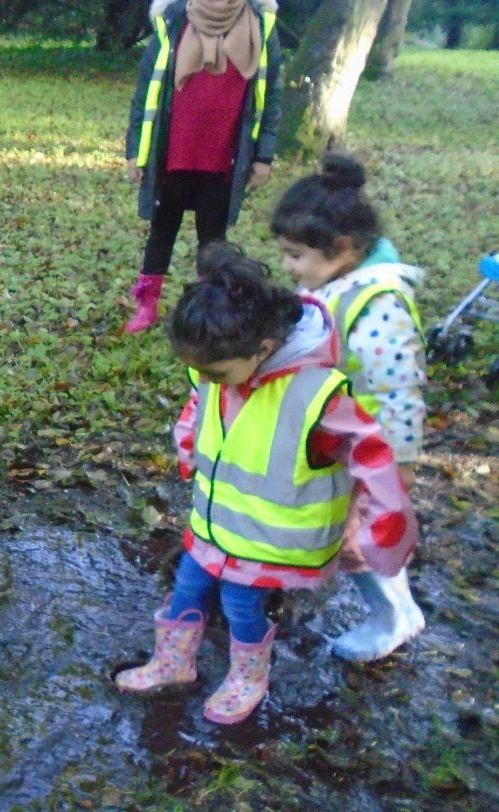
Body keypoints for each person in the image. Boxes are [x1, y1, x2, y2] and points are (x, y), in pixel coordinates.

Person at [114, 243, 419, 724]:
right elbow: (199, 406)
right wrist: (188, 444)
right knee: (187, 587)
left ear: (262, 349)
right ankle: (174, 662)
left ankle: (247, 678)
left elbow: (372, 454)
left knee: (242, 606)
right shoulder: (216, 370)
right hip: (214, 526)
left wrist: (380, 526)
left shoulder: (315, 393)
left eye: (216, 373)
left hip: (271, 540)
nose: (208, 381)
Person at [272, 152, 427, 662]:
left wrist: (385, 478)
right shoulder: (333, 283)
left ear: (341, 248)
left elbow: (395, 397)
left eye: (295, 255)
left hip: (365, 454)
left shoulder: (379, 304)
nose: (288, 266)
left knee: (362, 544)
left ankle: (393, 617)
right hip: (333, 443)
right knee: (341, 532)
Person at [123, 0, 282, 333]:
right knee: (161, 234)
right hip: (172, 153)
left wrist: (263, 156)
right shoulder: (173, 20)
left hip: (225, 158)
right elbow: (145, 92)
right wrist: (136, 151)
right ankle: (147, 307)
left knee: (213, 243)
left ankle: (209, 313)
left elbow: (271, 98)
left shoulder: (260, 26)